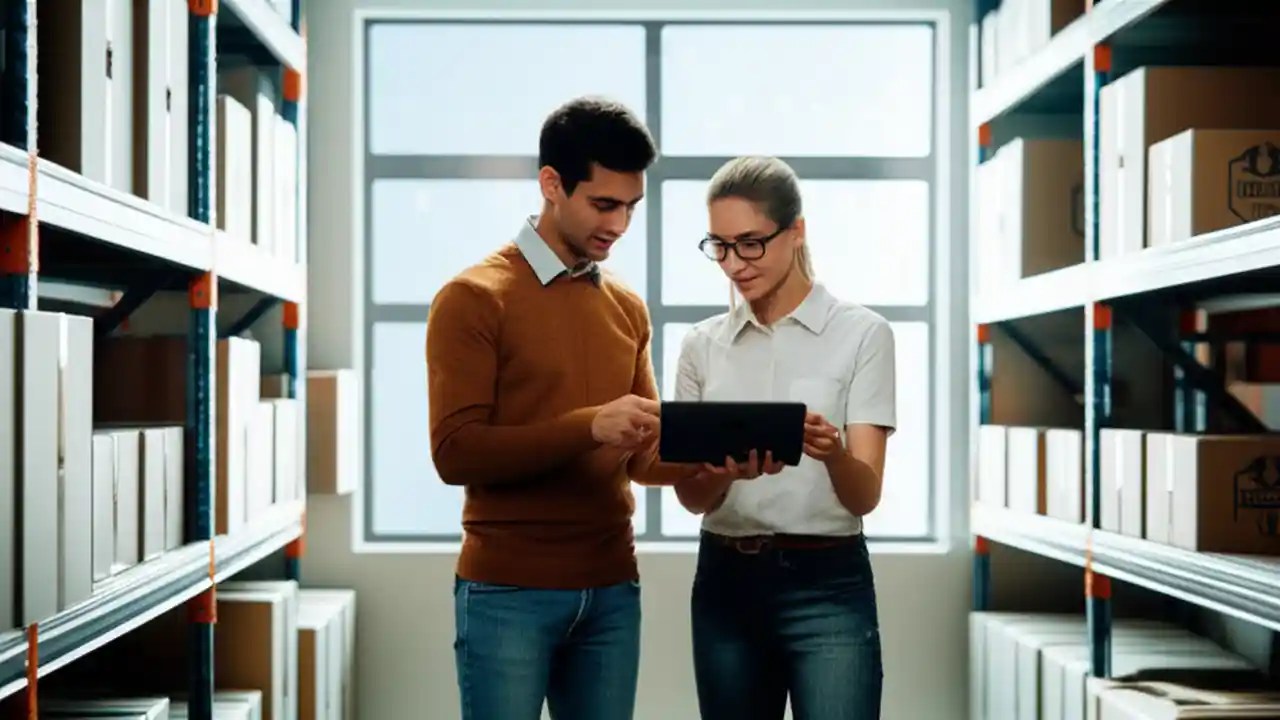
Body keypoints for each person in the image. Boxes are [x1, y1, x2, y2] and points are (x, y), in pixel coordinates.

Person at [425, 96, 666, 720]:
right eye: (604, 204)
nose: (620, 224)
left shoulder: (627, 308)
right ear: (552, 185)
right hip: (508, 591)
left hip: (612, 590)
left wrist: (720, 458)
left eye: (631, 206)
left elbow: (643, 459)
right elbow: (455, 453)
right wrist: (588, 426)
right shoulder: (473, 297)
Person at [672, 156, 897, 720]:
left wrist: (833, 453)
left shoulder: (863, 334)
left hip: (828, 582)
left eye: (750, 244)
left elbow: (864, 496)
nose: (734, 264)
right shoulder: (701, 345)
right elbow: (691, 498)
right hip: (725, 580)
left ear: (796, 232)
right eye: (720, 246)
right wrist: (721, 474)